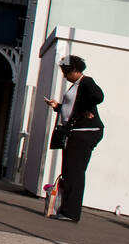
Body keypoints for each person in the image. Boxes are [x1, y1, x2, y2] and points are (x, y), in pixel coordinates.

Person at [44, 55, 104, 222]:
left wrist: (86, 108)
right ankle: (66, 210)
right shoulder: (77, 85)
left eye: (66, 72)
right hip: (77, 132)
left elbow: (98, 97)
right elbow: (72, 109)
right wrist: (58, 107)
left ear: (75, 70)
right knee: (70, 171)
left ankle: (71, 213)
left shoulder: (86, 82)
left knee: (75, 171)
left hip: (85, 131)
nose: (64, 76)